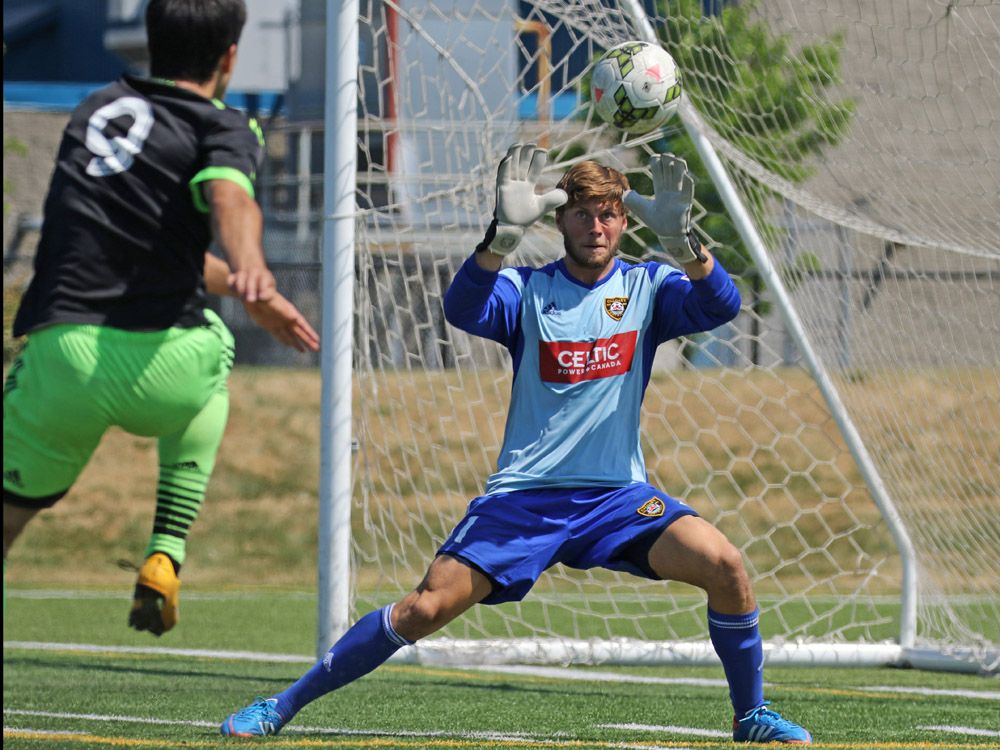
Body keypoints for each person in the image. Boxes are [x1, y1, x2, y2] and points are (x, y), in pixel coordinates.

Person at [220, 144, 811, 744]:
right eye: (581, 213)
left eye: (608, 213)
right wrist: (499, 239)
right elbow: (462, 307)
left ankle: (750, 717)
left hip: (616, 500)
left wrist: (686, 248)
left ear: (625, 221)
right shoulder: (526, 290)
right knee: (424, 609)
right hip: (524, 500)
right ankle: (281, 705)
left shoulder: (649, 287)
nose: (596, 226)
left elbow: (722, 305)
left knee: (726, 565)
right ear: (558, 222)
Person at [2, 0, 320, 638]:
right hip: (168, 366)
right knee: (216, 350)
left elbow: (143, 243)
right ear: (230, 57)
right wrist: (251, 268)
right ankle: (166, 549)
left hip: (65, 354)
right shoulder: (226, 126)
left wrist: (237, 275)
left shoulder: (93, 113)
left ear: (148, 44)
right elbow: (232, 197)